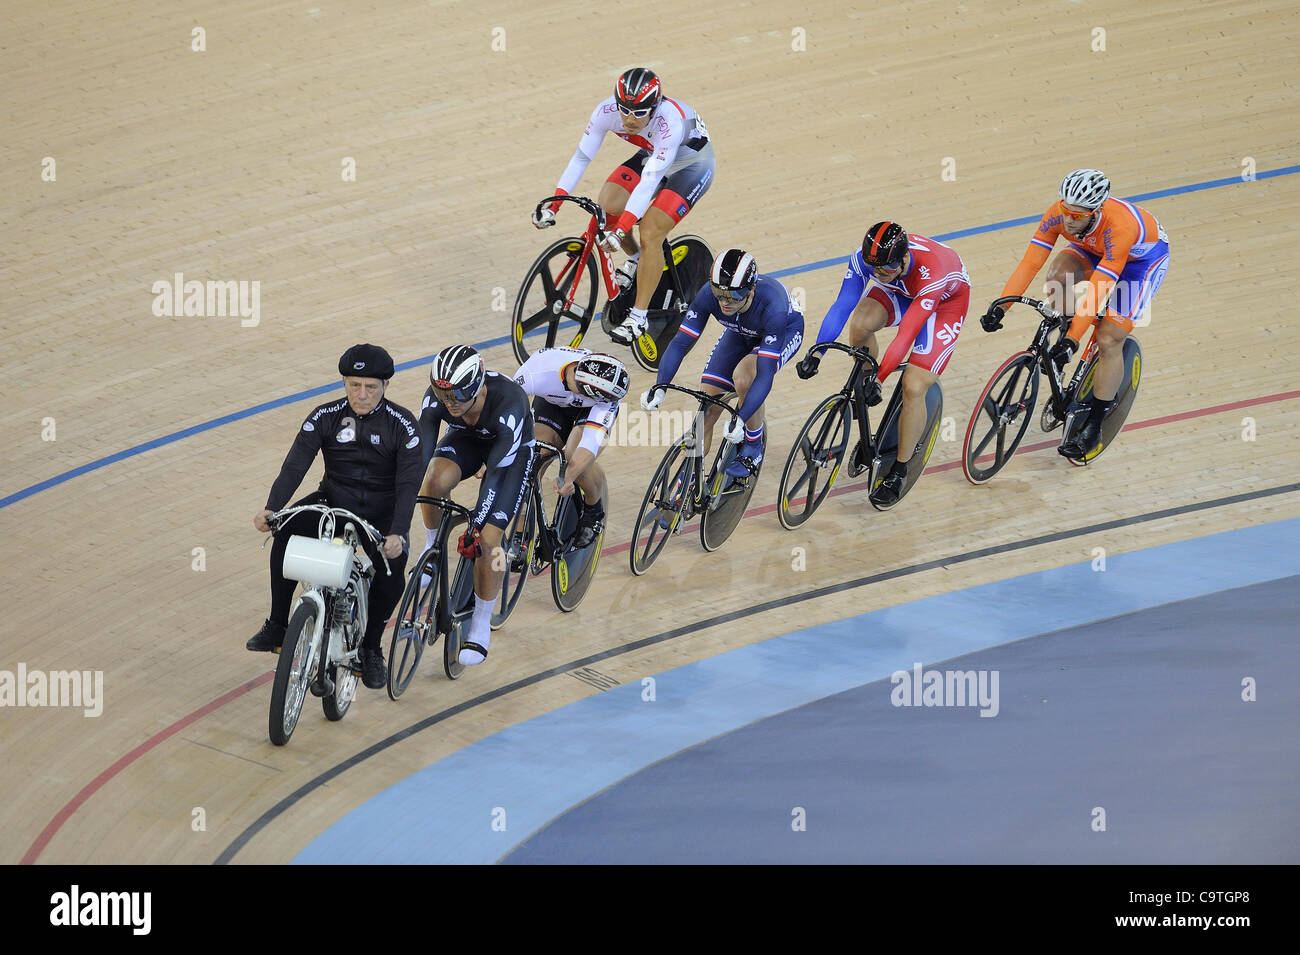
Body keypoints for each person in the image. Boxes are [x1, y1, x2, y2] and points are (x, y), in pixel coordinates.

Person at [248, 344, 422, 691]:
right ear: (344, 382)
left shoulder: (403, 426)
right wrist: (273, 508)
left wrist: (398, 532)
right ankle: (278, 625)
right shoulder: (324, 416)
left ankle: (371, 648)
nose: (362, 394)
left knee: (392, 569)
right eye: (354, 385)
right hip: (334, 502)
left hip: (381, 512)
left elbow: (408, 484)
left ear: (386, 386)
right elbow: (296, 463)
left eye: (370, 387)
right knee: (285, 532)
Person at [980, 168, 1170, 458]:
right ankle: (1064, 336)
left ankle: (1095, 424)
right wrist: (1001, 305)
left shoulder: (1120, 228)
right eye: (1067, 211)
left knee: (1109, 340)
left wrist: (1073, 340)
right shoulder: (1058, 214)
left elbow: (1097, 291)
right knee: (1058, 276)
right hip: (1094, 249)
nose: (1069, 220)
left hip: (1139, 264)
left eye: (1078, 216)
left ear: (1096, 211)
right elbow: (1030, 264)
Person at [533, 67, 715, 346]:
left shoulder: (670, 123)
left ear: (655, 108)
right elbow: (581, 158)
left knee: (651, 230)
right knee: (608, 203)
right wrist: (554, 205)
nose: (630, 119)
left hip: (691, 165)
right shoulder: (605, 112)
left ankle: (638, 318)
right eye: (625, 110)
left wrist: (621, 232)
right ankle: (636, 258)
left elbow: (649, 181)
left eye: (640, 113)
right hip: (654, 154)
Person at [797, 221, 971, 507]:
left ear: (903, 259)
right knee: (861, 324)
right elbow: (843, 303)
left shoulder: (932, 271)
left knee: (913, 386)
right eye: (874, 270)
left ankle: (900, 469)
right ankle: (866, 387)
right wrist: (817, 353)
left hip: (943, 302)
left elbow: (906, 335)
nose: (879, 275)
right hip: (903, 290)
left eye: (886, 269)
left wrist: (882, 378)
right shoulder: (872, 261)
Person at [417, 345, 534, 666]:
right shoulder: (442, 396)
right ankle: (431, 551)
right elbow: (420, 454)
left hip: (509, 455)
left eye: (457, 396)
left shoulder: (508, 403)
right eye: (445, 396)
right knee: (434, 481)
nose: (449, 403)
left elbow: (495, 475)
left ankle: (481, 622)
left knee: (487, 541)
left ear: (479, 389)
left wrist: (476, 525)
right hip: (466, 438)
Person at [642, 248, 803, 480]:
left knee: (745, 377)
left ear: (751, 289)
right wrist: (661, 386)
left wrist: (740, 417)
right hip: (741, 331)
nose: (725, 302)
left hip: (784, 331)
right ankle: (686, 484)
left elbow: (765, 374)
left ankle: (753, 446)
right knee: (707, 407)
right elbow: (680, 344)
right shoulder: (709, 295)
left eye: (734, 296)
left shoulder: (773, 305)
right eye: (719, 293)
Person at [511, 347, 630, 549]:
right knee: (531, 460)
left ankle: (593, 510)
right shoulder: (538, 372)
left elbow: (591, 442)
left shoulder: (606, 395)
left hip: (590, 412)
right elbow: (506, 411)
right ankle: (520, 533)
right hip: (552, 404)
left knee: (574, 463)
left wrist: (568, 476)